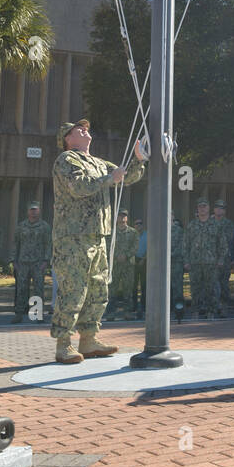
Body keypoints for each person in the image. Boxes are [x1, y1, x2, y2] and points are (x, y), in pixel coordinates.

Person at [51, 119, 146, 364]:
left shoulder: (98, 162)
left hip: (97, 235)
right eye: (78, 129)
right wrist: (110, 179)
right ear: (67, 139)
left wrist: (139, 159)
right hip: (73, 237)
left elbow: (126, 177)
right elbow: (78, 187)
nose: (85, 130)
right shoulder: (66, 160)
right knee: (74, 290)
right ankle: (64, 344)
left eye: (86, 128)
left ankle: (89, 339)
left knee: (98, 288)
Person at [11, 202, 51, 323]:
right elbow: (15, 244)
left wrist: (46, 260)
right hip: (23, 263)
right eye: (31, 210)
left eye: (35, 210)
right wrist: (14, 260)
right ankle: (19, 314)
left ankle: (37, 315)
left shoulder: (44, 226)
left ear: (39, 211)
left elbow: (48, 244)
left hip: (38, 263)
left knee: (38, 290)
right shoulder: (21, 226)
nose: (33, 212)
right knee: (21, 289)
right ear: (28, 211)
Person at [184, 198, 222, 320]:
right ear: (197, 209)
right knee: (195, 288)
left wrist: (221, 259)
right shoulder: (191, 225)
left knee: (210, 288)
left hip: (211, 262)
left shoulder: (216, 225)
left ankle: (211, 311)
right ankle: (195, 311)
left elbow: (222, 244)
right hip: (195, 262)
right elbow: (186, 244)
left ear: (208, 208)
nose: (202, 208)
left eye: (204, 206)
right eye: (200, 206)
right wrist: (186, 261)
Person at [107, 209, 139, 320]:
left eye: (124, 216)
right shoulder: (111, 233)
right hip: (115, 265)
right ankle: (111, 313)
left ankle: (127, 312)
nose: (122, 218)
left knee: (128, 289)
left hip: (128, 265)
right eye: (120, 216)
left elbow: (135, 247)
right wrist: (116, 256)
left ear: (127, 218)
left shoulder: (133, 232)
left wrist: (126, 255)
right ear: (117, 218)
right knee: (112, 289)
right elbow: (107, 246)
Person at [213, 199, 234, 310]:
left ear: (224, 211)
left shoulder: (228, 224)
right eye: (217, 207)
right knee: (212, 283)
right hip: (211, 258)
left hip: (224, 258)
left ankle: (224, 306)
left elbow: (228, 239)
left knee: (224, 283)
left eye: (221, 208)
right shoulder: (209, 222)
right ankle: (214, 306)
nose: (219, 210)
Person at [170, 213, 186, 322]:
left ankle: (179, 313)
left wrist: (170, 254)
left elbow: (182, 246)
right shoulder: (160, 230)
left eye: (170, 214)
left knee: (177, 289)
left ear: (172, 216)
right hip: (162, 265)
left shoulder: (179, 230)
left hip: (176, 263)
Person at [132, 218, 147, 318]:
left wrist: (144, 259)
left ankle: (143, 305)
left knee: (144, 284)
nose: (138, 225)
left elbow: (150, 247)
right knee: (133, 285)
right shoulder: (131, 235)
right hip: (133, 261)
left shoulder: (147, 235)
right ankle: (133, 305)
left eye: (140, 223)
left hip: (144, 261)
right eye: (137, 224)